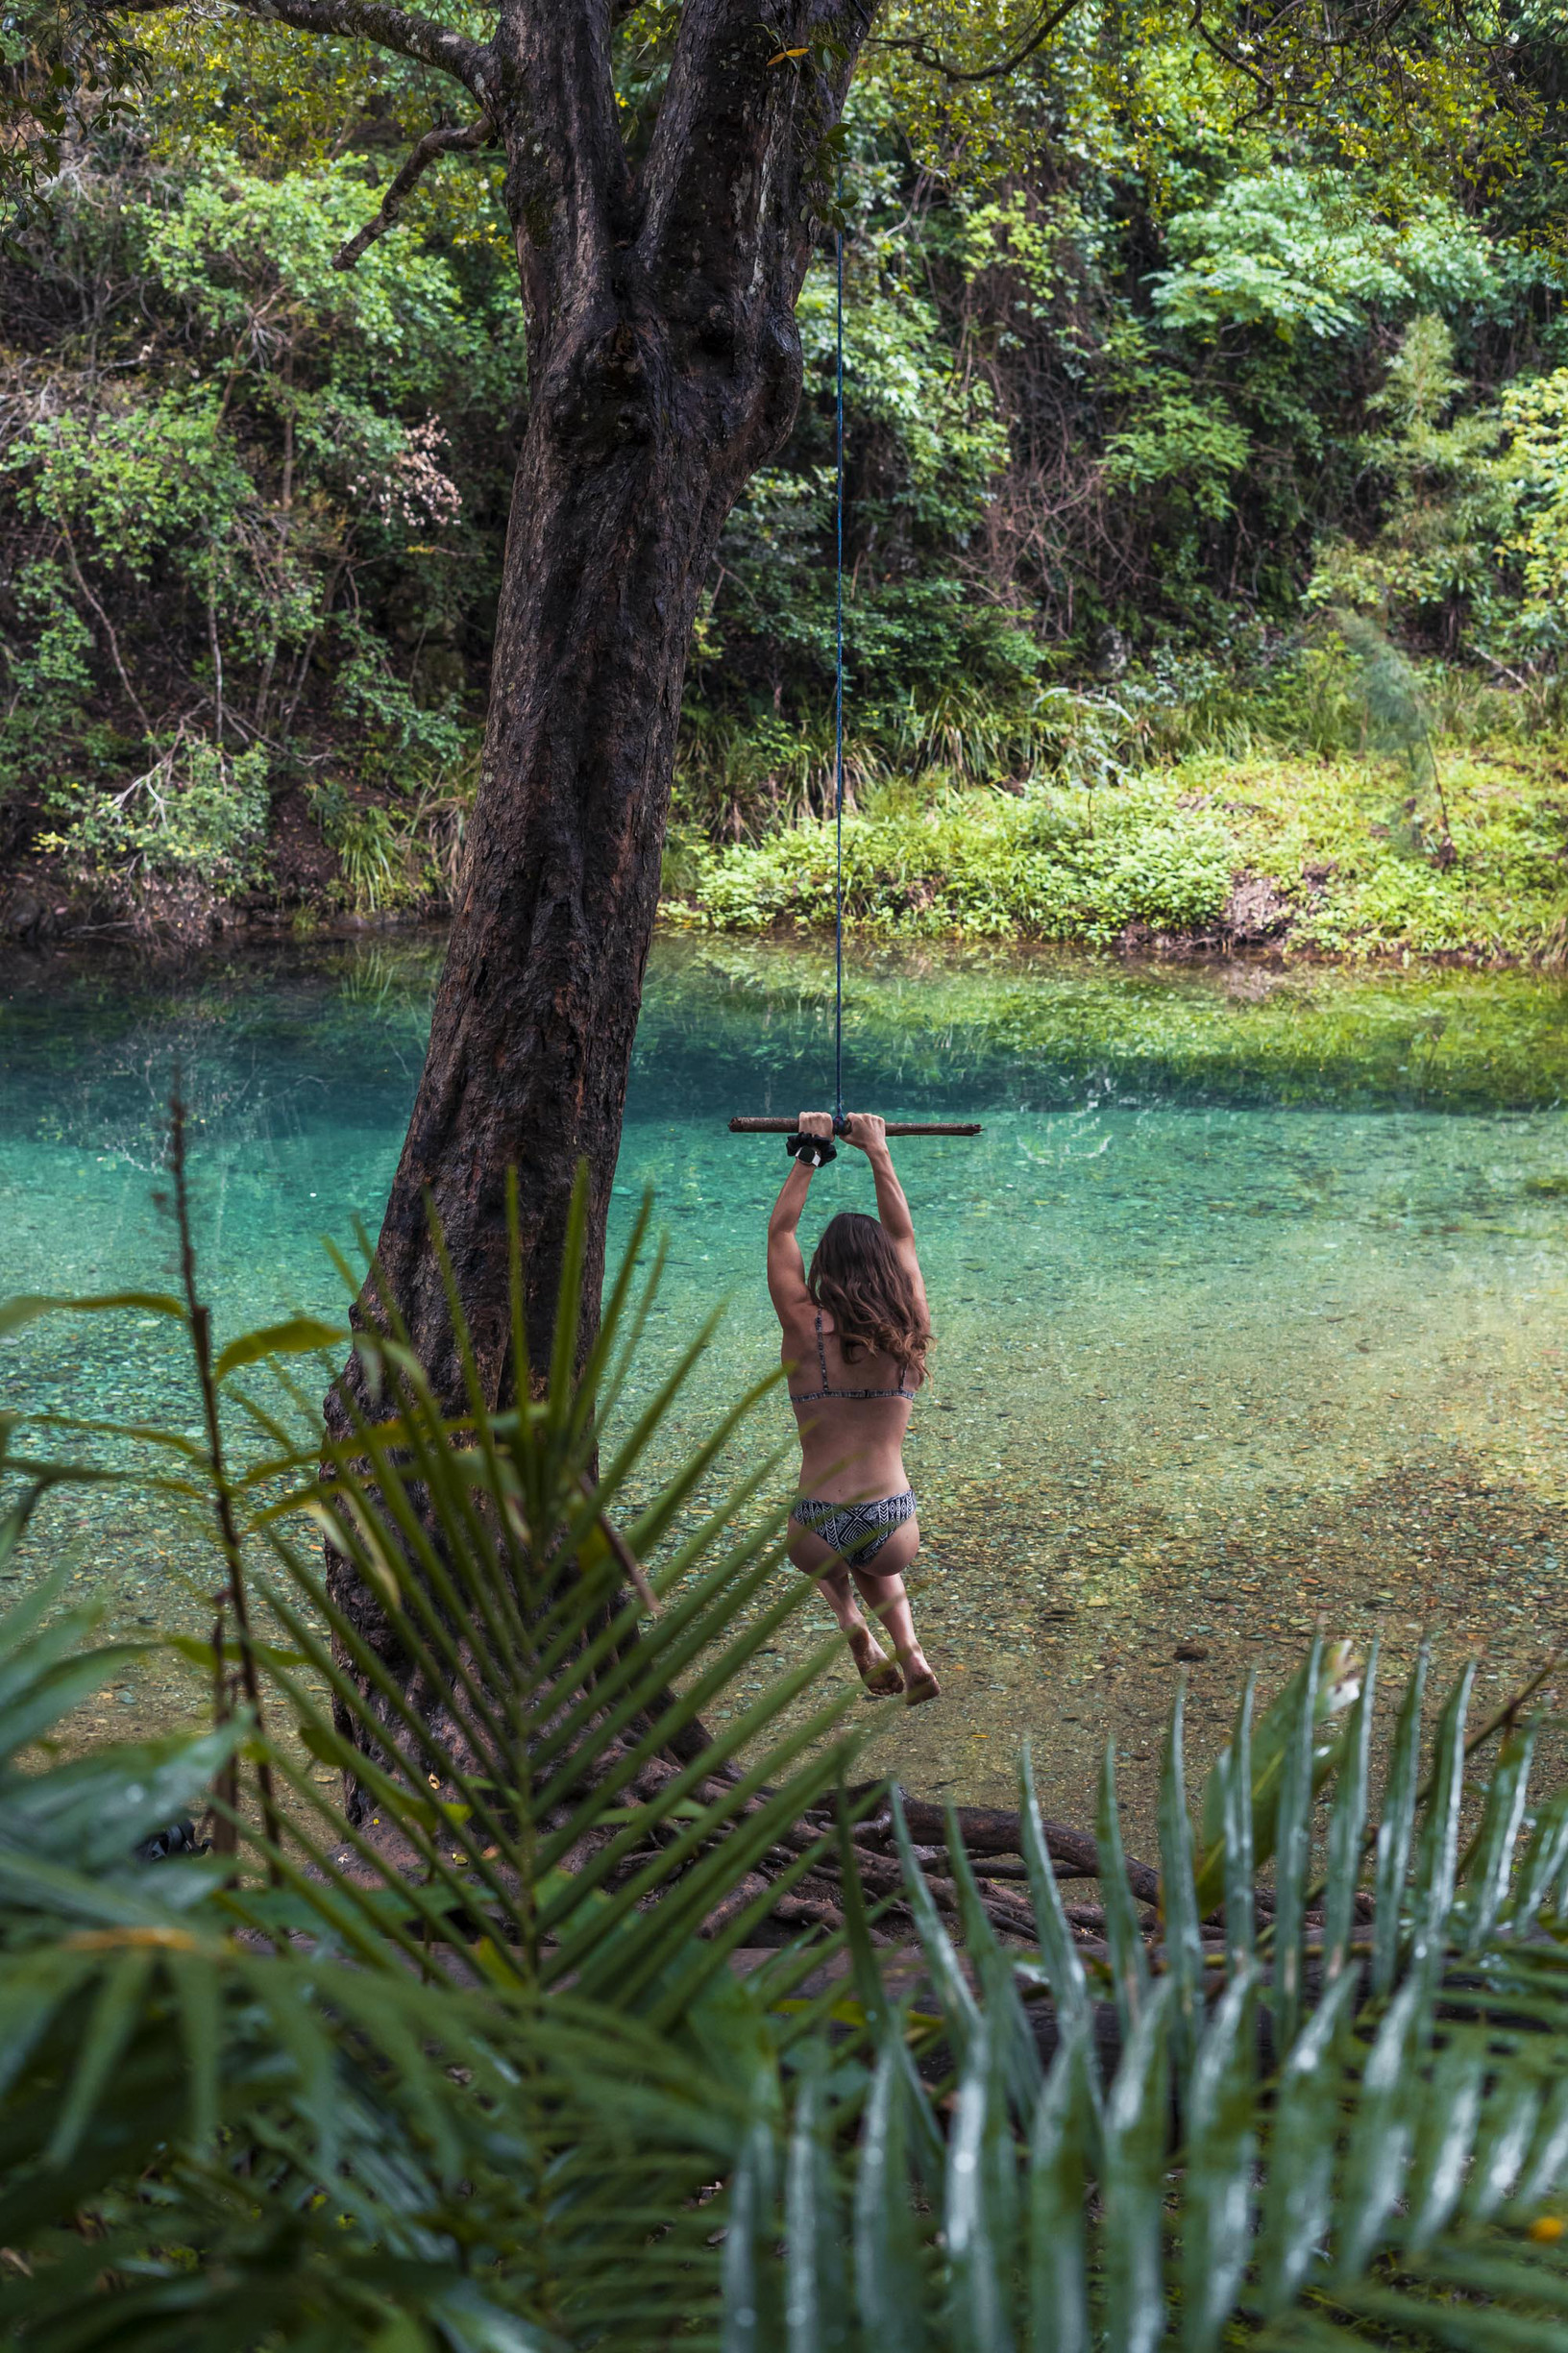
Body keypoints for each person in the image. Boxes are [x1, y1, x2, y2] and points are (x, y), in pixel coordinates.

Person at [767, 1110, 941, 1704]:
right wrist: (878, 1150)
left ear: (825, 1269)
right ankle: (911, 1652)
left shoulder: (802, 1323)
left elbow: (780, 1236)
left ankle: (852, 1626)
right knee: (875, 1564)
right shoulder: (909, 1328)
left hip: (817, 1523)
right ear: (887, 1272)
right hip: (892, 1522)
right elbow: (903, 1238)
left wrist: (810, 1152)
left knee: (836, 1568)